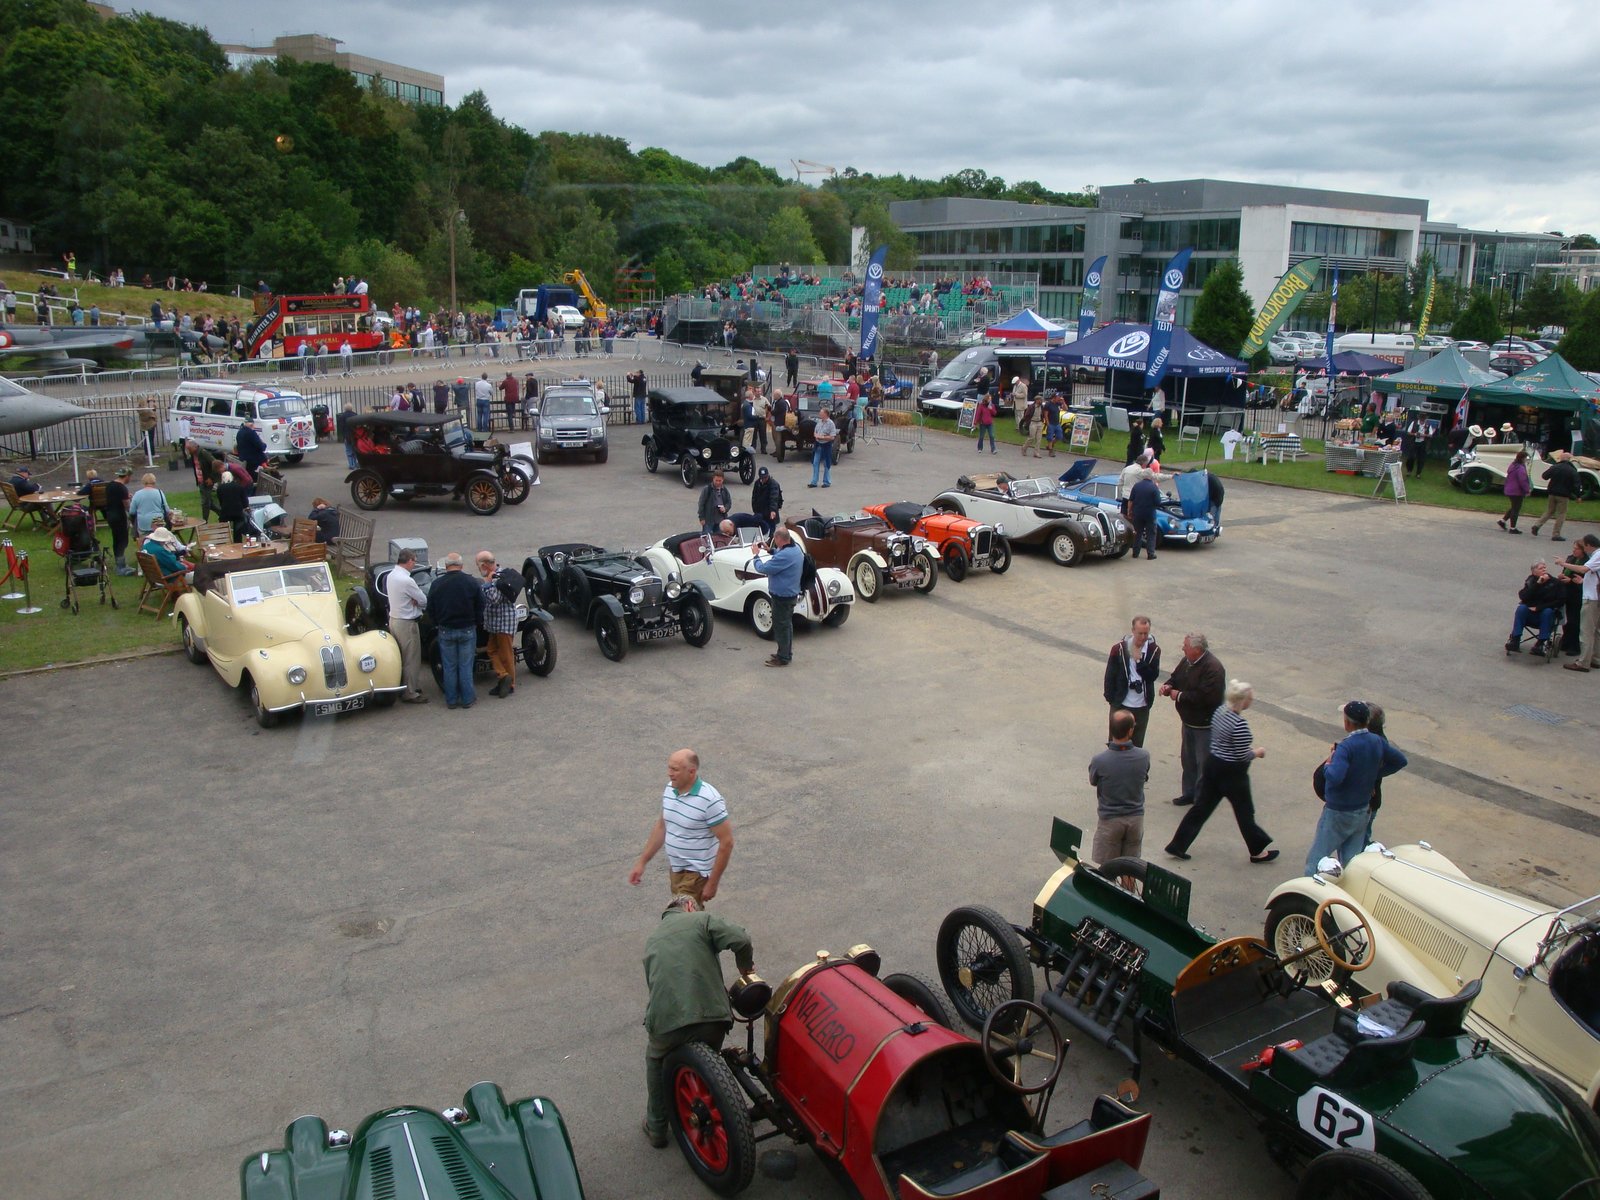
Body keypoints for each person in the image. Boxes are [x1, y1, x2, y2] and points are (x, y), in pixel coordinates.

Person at [640, 893, 754, 1149]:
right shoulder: (701, 919)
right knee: (708, 1063)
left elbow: (655, 985)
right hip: (711, 1018)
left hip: (666, 1024)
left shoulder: (652, 940)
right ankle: (726, 1109)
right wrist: (746, 969)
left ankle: (657, 1126)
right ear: (691, 906)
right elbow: (741, 939)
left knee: (656, 1060)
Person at [1165, 680, 1278, 863]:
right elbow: (1242, 755)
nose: (1252, 700)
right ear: (1243, 701)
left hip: (1213, 765)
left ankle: (1178, 844)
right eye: (1250, 698)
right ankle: (1257, 850)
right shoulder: (1240, 724)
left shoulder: (1219, 712)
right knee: (1244, 812)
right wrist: (1258, 752)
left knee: (1201, 808)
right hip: (1233, 773)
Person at [1306, 701, 1408, 875]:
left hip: (1338, 812)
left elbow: (1335, 777)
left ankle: (1307, 898)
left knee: (1316, 860)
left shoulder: (1346, 747)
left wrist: (1329, 763)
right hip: (1362, 810)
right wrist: (1373, 773)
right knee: (1352, 862)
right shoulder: (1377, 741)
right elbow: (1400, 761)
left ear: (1347, 723)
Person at [628, 748, 735, 905]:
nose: (669, 773)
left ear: (691, 772)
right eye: (669, 767)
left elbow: (727, 842)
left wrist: (712, 883)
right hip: (676, 869)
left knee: (681, 918)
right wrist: (642, 862)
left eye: (675, 769)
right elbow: (662, 826)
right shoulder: (670, 789)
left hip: (696, 874)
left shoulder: (710, 800)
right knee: (687, 919)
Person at [1160, 632, 1226, 807]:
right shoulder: (1187, 661)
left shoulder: (1213, 669)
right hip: (1188, 722)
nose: (1183, 648)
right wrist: (1169, 685)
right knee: (1188, 761)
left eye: (1186, 646)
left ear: (1197, 649)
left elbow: (1206, 698)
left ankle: (1202, 799)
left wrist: (1179, 696)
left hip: (1205, 726)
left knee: (1203, 764)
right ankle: (1189, 793)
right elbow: (1176, 677)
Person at [1089, 710, 1149, 866]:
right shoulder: (1143, 756)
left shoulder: (1100, 760)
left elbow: (1093, 780)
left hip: (1110, 819)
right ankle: (1128, 889)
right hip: (1135, 819)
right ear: (1130, 731)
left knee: (1107, 870)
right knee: (1130, 869)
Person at [425, 552, 485, 709]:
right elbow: (480, 604)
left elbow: (430, 607)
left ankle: (451, 700)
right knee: (465, 665)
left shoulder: (437, 584)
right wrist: (477, 621)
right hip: (467, 628)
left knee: (449, 666)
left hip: (446, 629)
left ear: (445, 566)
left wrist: (438, 622)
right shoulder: (471, 582)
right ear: (461, 565)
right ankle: (467, 699)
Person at [1103, 616, 1161, 746]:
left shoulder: (1154, 650)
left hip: (1141, 705)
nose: (1143, 637)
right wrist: (1111, 699)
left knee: (1137, 743)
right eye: (1140, 633)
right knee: (1115, 741)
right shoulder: (1118, 649)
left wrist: (1139, 661)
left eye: (1146, 633)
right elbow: (1110, 675)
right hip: (1121, 703)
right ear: (1133, 631)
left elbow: (1152, 676)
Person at [750, 525, 802, 667]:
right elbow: (780, 553)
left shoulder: (785, 555)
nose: (774, 541)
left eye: (775, 539)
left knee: (780, 626)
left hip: (782, 597)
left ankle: (783, 657)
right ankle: (786, 652)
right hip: (791, 594)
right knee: (786, 625)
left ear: (779, 538)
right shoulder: (795, 548)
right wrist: (770, 550)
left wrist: (756, 555)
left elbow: (763, 568)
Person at [384, 549, 430, 704]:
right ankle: (410, 691)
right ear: (409, 561)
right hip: (407, 622)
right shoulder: (407, 580)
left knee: (400, 656)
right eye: (414, 561)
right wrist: (416, 602)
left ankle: (401, 686)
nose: (414, 564)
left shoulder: (391, 575)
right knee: (411, 658)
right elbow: (423, 600)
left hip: (394, 619)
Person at [475, 550, 520, 699]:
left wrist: (486, 585)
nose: (478, 568)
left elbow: (494, 599)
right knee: (492, 649)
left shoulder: (496, 578)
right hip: (496, 623)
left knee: (506, 654)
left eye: (478, 565)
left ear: (485, 565)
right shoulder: (501, 574)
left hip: (503, 623)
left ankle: (509, 682)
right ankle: (503, 677)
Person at [1506, 561, 1566, 655]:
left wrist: (1538, 608)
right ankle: (1515, 639)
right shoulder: (1531, 581)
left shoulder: (1555, 583)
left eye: (1544, 568)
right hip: (1530, 614)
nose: (1544, 570)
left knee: (1547, 612)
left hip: (1546, 615)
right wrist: (1538, 584)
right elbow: (1523, 597)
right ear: (1533, 572)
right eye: (1540, 568)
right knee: (1521, 609)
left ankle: (1541, 643)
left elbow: (1560, 601)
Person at [1560, 533, 1600, 672]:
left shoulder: (1597, 555)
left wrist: (1564, 564)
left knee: (1586, 631)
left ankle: (1583, 662)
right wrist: (1583, 582)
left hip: (1592, 598)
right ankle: (1596, 658)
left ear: (1588, 545)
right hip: (1596, 595)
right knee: (1597, 630)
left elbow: (1584, 569)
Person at [1530, 450, 1579, 541]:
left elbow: (1544, 476)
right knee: (1561, 514)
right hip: (1564, 495)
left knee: (1549, 511)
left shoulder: (1555, 467)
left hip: (1552, 493)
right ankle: (1556, 534)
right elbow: (1576, 484)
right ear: (1569, 460)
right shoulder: (1572, 470)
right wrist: (1577, 496)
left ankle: (1537, 525)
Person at [141, 516, 192, 582]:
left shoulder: (146, 546)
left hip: (153, 576)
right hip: (167, 577)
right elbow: (173, 565)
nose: (165, 541)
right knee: (197, 575)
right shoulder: (160, 550)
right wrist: (184, 568)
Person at [1127, 469, 1163, 560]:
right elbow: (1158, 502)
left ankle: (1135, 553)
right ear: (1151, 476)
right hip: (1150, 514)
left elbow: (1131, 500)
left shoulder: (1136, 486)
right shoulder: (1154, 487)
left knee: (1137, 533)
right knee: (1151, 533)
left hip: (1137, 513)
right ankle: (1150, 554)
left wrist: (1129, 511)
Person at [184, 440, 221, 522]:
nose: (188, 451)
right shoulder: (194, 454)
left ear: (195, 447)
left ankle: (204, 521)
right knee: (208, 502)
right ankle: (222, 513)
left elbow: (215, 464)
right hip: (201, 480)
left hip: (207, 481)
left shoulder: (204, 453)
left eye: (189, 449)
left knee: (205, 503)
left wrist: (211, 478)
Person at [1499, 450, 1530, 534]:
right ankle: (1513, 528)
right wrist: (1527, 490)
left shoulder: (1513, 465)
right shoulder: (1520, 468)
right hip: (1517, 491)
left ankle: (1503, 520)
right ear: (1523, 458)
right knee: (1516, 509)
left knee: (1514, 507)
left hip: (1510, 488)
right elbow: (1523, 480)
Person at [216, 470, 250, 540]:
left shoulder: (220, 488)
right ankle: (237, 543)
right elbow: (245, 502)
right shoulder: (239, 487)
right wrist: (245, 507)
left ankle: (224, 540)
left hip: (225, 512)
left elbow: (221, 502)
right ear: (232, 478)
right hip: (237, 512)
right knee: (238, 531)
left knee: (224, 529)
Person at [809, 407, 837, 488]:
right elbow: (815, 431)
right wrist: (816, 435)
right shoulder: (819, 422)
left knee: (826, 463)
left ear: (826, 414)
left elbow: (832, 437)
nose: (820, 414)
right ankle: (814, 482)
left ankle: (827, 482)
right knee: (815, 463)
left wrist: (822, 437)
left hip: (826, 446)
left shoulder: (831, 424)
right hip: (818, 445)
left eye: (821, 413)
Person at [697, 470, 732, 535]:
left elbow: (729, 502)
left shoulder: (725, 490)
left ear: (723, 480)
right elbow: (701, 504)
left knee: (719, 539)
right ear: (713, 479)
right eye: (716, 480)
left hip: (720, 521)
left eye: (720, 481)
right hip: (708, 521)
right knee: (707, 539)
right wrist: (701, 518)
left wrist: (725, 508)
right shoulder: (707, 489)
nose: (718, 482)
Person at [751, 466, 782, 537]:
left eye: (765, 477)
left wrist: (773, 511)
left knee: (770, 534)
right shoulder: (757, 483)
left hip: (770, 515)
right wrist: (755, 510)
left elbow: (774, 498)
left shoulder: (773, 484)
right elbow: (754, 497)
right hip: (760, 513)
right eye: (762, 478)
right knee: (760, 533)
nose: (763, 479)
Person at [1043, 391, 1064, 457]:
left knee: (1059, 436)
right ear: (1054, 397)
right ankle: (1050, 451)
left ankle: (1050, 445)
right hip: (1051, 423)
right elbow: (1045, 414)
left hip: (1057, 423)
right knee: (1050, 437)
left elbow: (1066, 408)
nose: (1060, 398)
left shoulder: (1058, 404)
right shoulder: (1048, 404)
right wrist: (1048, 423)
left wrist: (1063, 402)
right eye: (1058, 397)